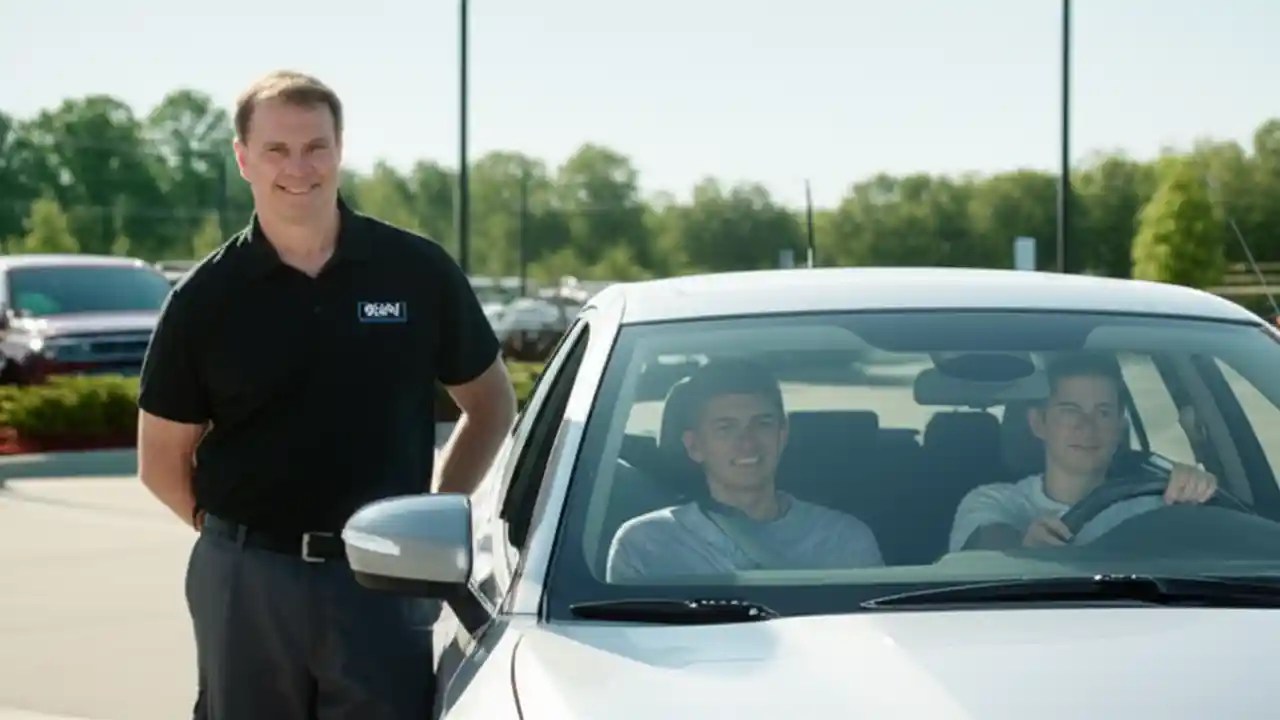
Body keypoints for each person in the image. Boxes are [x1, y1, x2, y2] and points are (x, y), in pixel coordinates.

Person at [136, 70, 517, 720]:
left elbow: (491, 404)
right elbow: (160, 463)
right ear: (244, 159)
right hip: (246, 581)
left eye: (315, 146)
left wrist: (428, 515)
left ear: (340, 150)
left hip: (380, 575)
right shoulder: (204, 299)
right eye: (277, 150)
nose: (298, 167)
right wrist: (234, 542)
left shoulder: (416, 270)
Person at [606, 359, 884, 581]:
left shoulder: (842, 541)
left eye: (762, 423)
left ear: (782, 434)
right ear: (694, 446)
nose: (747, 443)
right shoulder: (647, 544)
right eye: (726, 428)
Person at [948, 352, 1217, 552]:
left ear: (1118, 427)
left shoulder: (1156, 505)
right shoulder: (993, 501)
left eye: (1103, 412)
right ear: (1039, 423)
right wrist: (1023, 548)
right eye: (1070, 410)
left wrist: (1197, 492)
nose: (1087, 426)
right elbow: (988, 544)